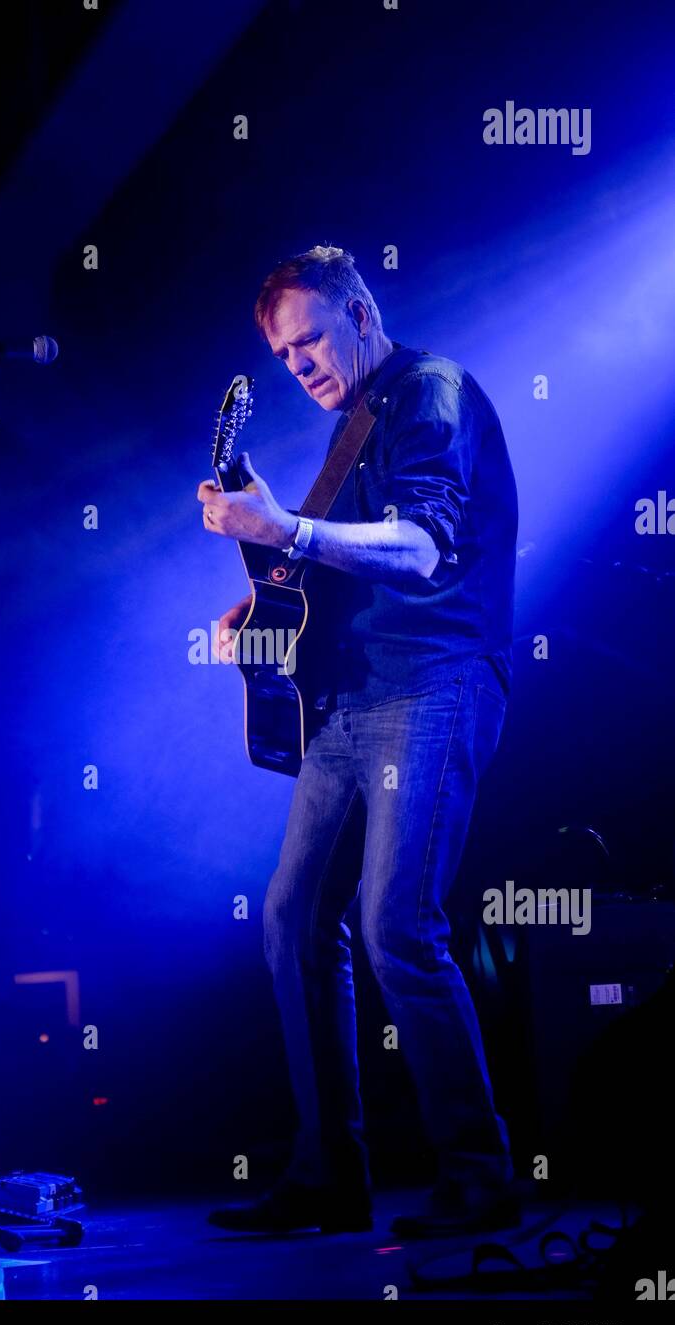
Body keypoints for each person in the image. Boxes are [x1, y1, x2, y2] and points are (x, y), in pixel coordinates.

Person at [197, 245, 519, 1237]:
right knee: (291, 920)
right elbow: (333, 565)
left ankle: (477, 1174)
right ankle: (326, 1172)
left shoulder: (426, 392)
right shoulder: (354, 425)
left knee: (396, 928)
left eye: (311, 340)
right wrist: (258, 598)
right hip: (347, 699)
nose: (300, 366)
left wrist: (284, 528)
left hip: (431, 684)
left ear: (360, 310)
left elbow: (418, 547)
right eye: (283, 356)